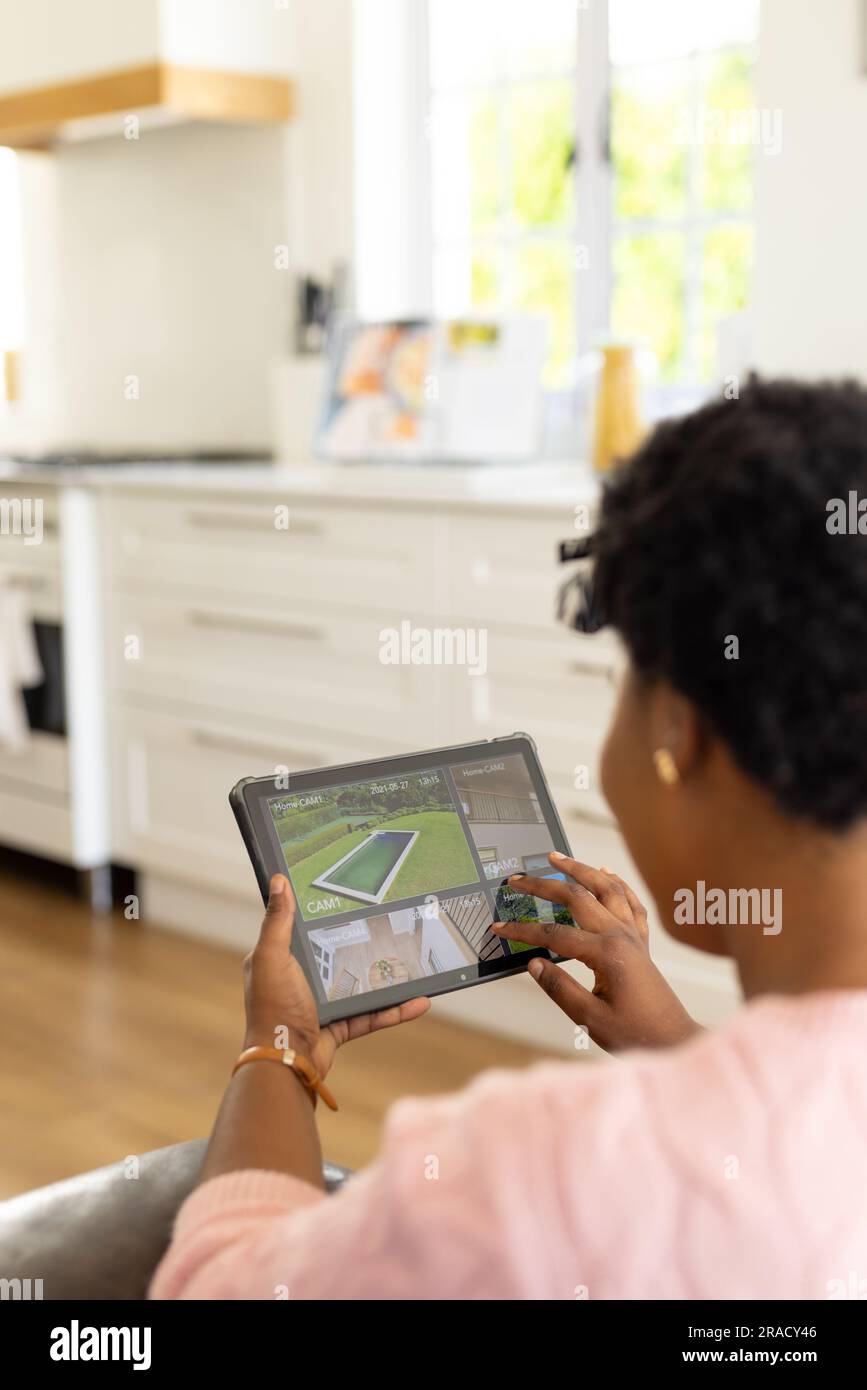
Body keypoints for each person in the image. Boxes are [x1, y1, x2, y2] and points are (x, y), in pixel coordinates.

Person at [151, 377, 867, 1301]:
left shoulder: (535, 1173)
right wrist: (679, 1046)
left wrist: (278, 1049)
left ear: (674, 735)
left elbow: (219, 1291)